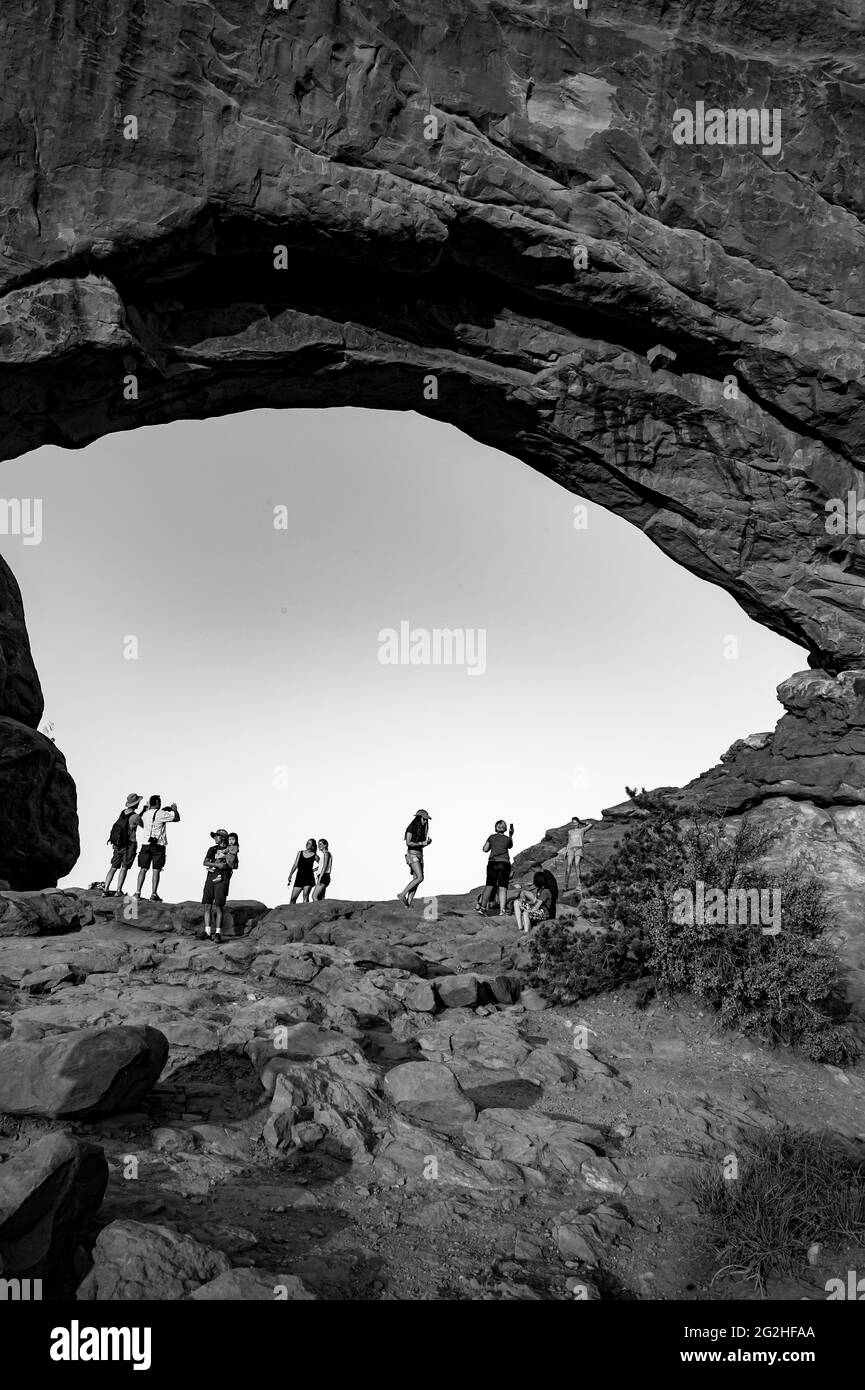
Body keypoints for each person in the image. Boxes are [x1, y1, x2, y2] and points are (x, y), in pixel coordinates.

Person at [135, 795, 180, 901]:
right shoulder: (161, 813)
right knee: (156, 870)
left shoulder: (145, 814)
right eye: (160, 802)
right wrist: (174, 810)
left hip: (145, 844)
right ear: (157, 802)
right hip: (158, 845)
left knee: (143, 869)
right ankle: (153, 894)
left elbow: (140, 821)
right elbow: (177, 818)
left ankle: (137, 892)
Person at [102, 793, 143, 897]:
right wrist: (144, 811)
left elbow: (133, 819)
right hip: (129, 844)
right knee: (124, 868)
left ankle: (105, 889)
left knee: (113, 867)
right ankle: (118, 891)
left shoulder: (123, 813)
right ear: (136, 804)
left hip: (119, 844)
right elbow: (142, 824)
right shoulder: (135, 816)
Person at [202, 829, 233, 942]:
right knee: (207, 904)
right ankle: (207, 932)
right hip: (210, 877)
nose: (215, 838)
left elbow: (234, 865)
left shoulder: (231, 850)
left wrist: (225, 865)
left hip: (223, 878)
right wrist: (216, 864)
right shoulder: (212, 849)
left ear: (223, 838)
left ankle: (218, 933)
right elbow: (205, 862)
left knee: (218, 906)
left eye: (217, 836)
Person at [479, 819, 514, 916]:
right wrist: (511, 834)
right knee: (502, 887)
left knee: (489, 885)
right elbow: (510, 846)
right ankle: (502, 910)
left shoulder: (492, 837)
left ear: (496, 827)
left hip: (492, 863)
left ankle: (482, 908)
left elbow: (485, 849)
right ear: (505, 828)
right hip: (504, 863)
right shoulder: (507, 839)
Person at [398, 810, 431, 907]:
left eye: (426, 820)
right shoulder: (411, 828)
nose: (425, 821)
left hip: (420, 854)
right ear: (418, 818)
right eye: (424, 819)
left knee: (416, 879)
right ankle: (402, 894)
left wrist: (426, 843)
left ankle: (408, 903)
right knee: (420, 878)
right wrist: (422, 843)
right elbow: (408, 843)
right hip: (412, 855)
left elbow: (419, 845)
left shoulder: (421, 829)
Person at [288, 838, 319, 903]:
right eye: (307, 842)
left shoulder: (314, 855)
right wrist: (290, 874)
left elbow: (322, 865)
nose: (307, 844)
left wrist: (315, 869)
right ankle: (291, 912)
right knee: (293, 898)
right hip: (299, 878)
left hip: (309, 878)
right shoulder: (300, 853)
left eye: (309, 843)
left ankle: (305, 912)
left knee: (305, 896)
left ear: (312, 846)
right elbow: (295, 864)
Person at [564, 816, 586, 892]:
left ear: (578, 822)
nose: (575, 824)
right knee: (569, 865)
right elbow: (569, 841)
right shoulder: (570, 831)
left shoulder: (582, 830)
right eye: (573, 823)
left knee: (577, 865)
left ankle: (579, 884)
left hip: (578, 848)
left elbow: (590, 825)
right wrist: (566, 851)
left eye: (576, 822)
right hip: (570, 849)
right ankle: (565, 885)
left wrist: (583, 823)